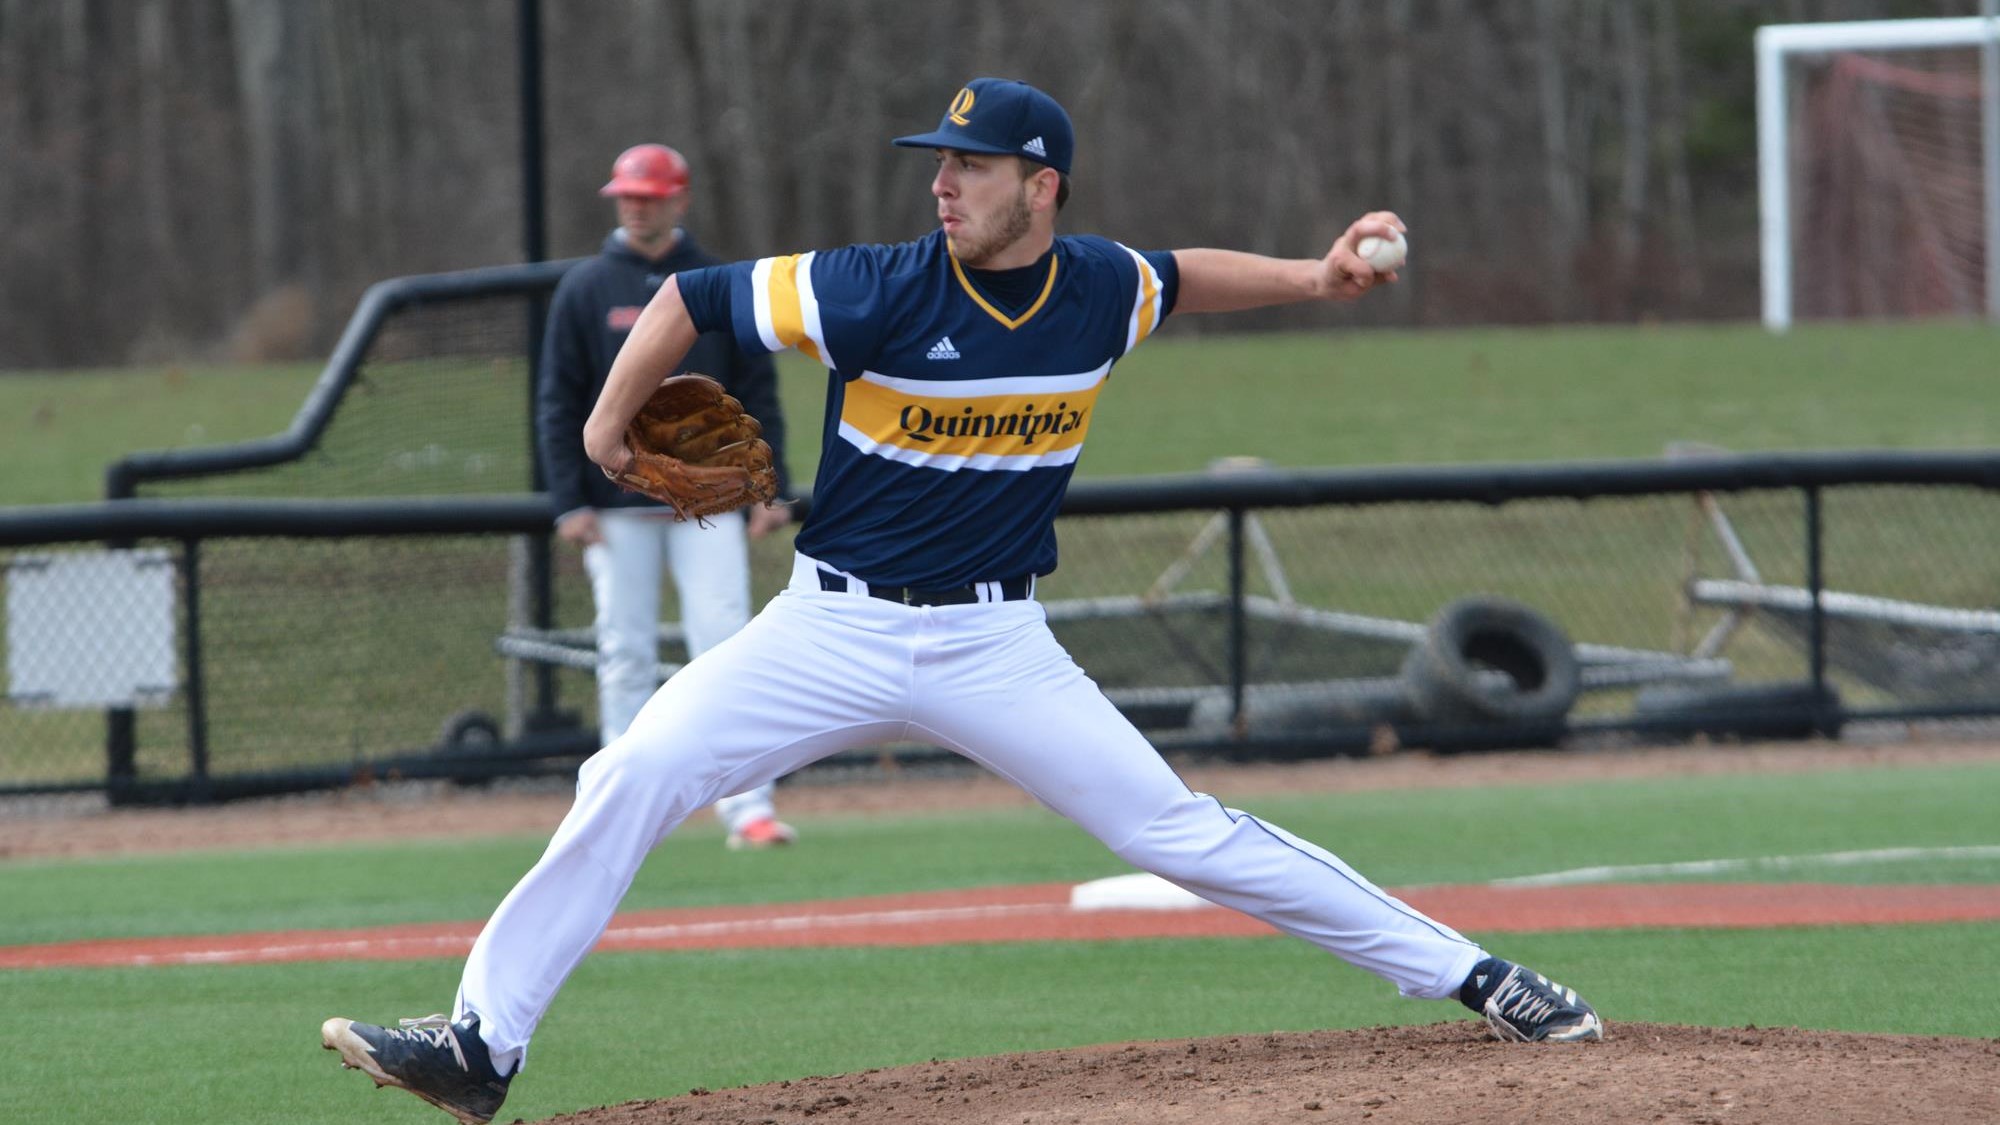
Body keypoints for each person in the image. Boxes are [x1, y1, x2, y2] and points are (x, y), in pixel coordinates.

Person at [322, 78, 1602, 1125]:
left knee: (1175, 830)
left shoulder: (1095, 286)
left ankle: (1480, 976)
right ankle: (484, 1045)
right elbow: (684, 300)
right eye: (938, 160)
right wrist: (608, 427)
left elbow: (1181, 275)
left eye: (971, 165)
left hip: (995, 641)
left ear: (1039, 186)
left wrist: (1314, 280)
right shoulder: (876, 286)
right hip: (831, 628)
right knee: (632, 772)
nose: (941, 181)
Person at [535, 142, 797, 851]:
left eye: (649, 194)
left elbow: (758, 391)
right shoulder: (586, 287)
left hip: (709, 501)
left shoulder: (715, 280)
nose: (635, 204)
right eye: (627, 193)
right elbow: (558, 400)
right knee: (623, 650)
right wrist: (569, 499)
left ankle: (748, 808)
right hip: (618, 504)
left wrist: (772, 487)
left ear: (679, 199)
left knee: (728, 647)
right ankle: (618, 809)